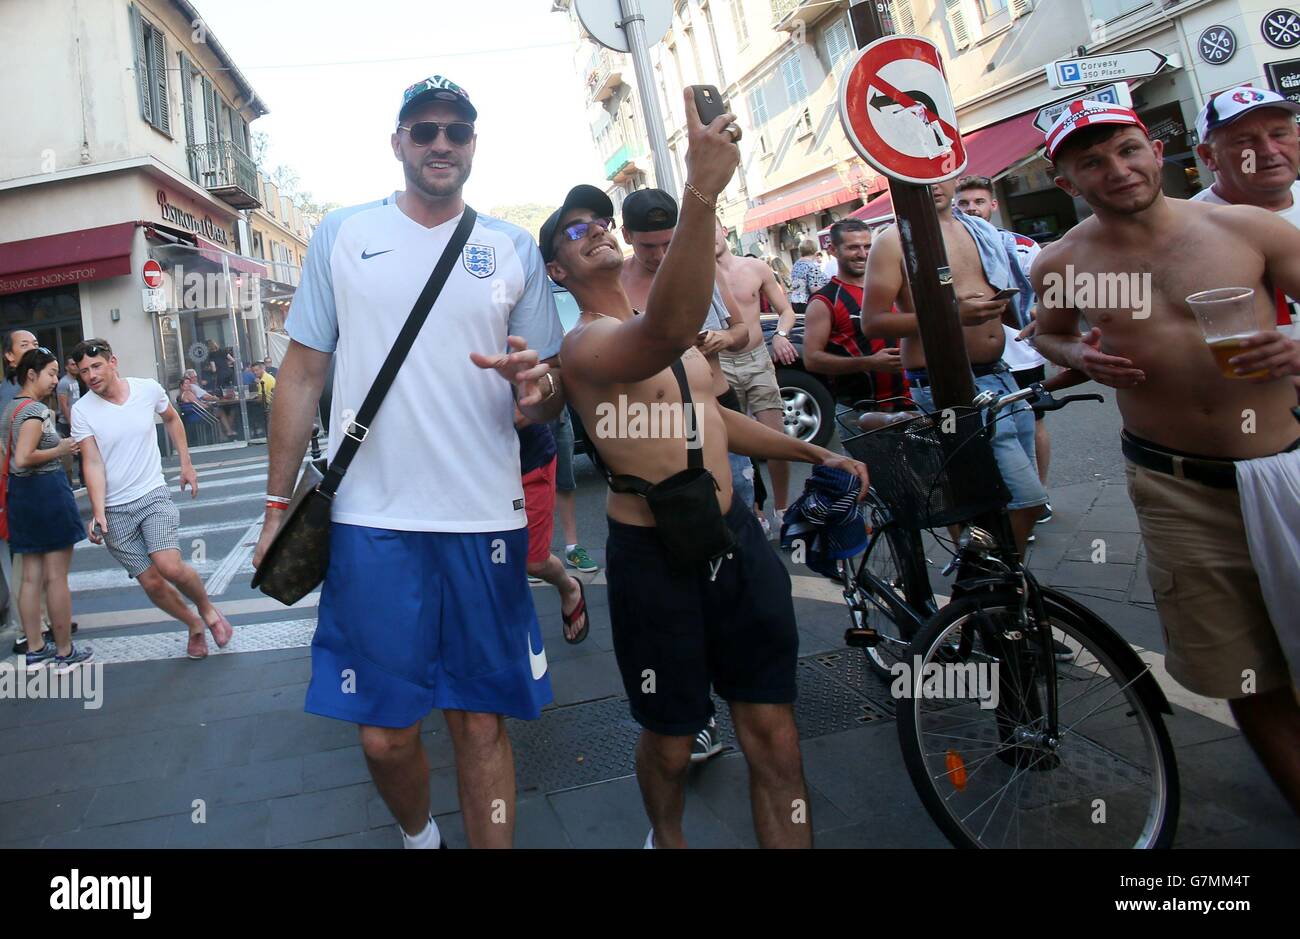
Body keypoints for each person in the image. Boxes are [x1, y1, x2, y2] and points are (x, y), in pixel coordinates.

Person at [545, 90, 869, 848]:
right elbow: (663, 329)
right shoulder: (585, 346)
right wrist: (700, 189)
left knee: (774, 732)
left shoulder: (677, 334)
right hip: (653, 559)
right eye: (573, 230)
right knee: (672, 737)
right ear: (559, 270)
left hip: (735, 539)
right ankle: (668, 834)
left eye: (600, 221)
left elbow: (715, 421)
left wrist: (816, 449)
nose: (593, 230)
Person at [252, 75, 567, 850]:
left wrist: (540, 390)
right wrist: (272, 506)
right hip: (370, 522)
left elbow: (551, 389)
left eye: (456, 131)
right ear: (398, 142)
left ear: (472, 145)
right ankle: (421, 835)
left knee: (480, 720)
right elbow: (300, 374)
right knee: (385, 736)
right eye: (424, 130)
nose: (440, 144)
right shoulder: (341, 235)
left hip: (483, 520)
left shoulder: (511, 247)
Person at [1030, 99, 1300, 813]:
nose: (1116, 170)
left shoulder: (1249, 229)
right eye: (1091, 162)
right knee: (1242, 668)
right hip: (1175, 484)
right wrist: (1075, 351)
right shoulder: (1062, 263)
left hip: (1286, 465)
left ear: (1154, 149)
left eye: (1126, 150)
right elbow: (1046, 332)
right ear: (1065, 181)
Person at [617, 186, 750, 761]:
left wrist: (723, 337)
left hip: (720, 424)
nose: (657, 254)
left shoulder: (699, 269)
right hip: (661, 445)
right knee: (679, 585)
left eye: (668, 242)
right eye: (647, 245)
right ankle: (695, 713)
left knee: (736, 572)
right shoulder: (618, 286)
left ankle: (743, 695)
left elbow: (746, 331)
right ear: (628, 239)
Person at [862, 178, 1049, 555]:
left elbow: (1001, 294)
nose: (928, 184)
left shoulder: (978, 230)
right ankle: (991, 583)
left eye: (934, 172)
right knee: (1023, 499)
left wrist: (1036, 324)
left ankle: (993, 587)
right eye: (914, 174)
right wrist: (950, 314)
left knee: (1002, 498)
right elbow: (873, 321)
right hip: (946, 382)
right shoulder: (893, 241)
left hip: (999, 375)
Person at [71, 338, 234, 660]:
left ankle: (208, 610)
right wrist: (98, 512)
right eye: (84, 371)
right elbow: (91, 463)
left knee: (168, 566)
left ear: (112, 362)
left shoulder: (147, 389)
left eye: (96, 366)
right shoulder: (81, 411)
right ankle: (193, 624)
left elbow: (172, 418)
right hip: (115, 511)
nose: (90, 375)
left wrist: (187, 465)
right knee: (152, 584)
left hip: (151, 494)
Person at [956, 174, 1056, 520]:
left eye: (979, 202)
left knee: (1033, 421)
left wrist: (1041, 309)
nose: (971, 209)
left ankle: (1037, 497)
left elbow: (1051, 286)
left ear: (993, 205)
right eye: (965, 203)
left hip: (1021, 350)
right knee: (991, 431)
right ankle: (1008, 500)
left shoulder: (1022, 245)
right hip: (979, 357)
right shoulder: (950, 245)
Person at [1192, 85, 1300, 350]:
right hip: (1253, 387)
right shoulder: (1186, 229)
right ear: (1209, 157)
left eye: (1279, 134)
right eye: (1244, 141)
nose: (1268, 150)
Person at [1, 348, 90, 671]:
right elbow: (23, 457)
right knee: (56, 579)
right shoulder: (35, 411)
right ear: (31, 374)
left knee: (30, 579)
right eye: (51, 373)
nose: (56, 380)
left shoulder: (10, 409)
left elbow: (10, 460)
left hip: (21, 497)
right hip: (46, 494)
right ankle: (65, 651)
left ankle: (36, 649)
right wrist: (62, 448)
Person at [714, 219, 798, 534]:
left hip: (758, 358)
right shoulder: (698, 275)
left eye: (712, 229)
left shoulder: (755, 267)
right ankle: (755, 511)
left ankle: (783, 509)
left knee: (775, 438)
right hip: (720, 363)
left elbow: (785, 310)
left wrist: (781, 334)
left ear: (724, 230)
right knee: (734, 444)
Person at [802, 219, 906, 411]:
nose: (862, 254)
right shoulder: (824, 301)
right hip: (860, 410)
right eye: (853, 248)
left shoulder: (891, 288)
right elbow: (812, 359)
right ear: (833, 250)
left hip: (911, 402)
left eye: (867, 246)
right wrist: (870, 363)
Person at [516, 415, 587, 643]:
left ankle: (569, 588)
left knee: (534, 562)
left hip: (531, 464)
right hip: (482, 471)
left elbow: (523, 413)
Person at [2, 329, 40, 650]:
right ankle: (27, 630)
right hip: (13, 490)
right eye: (24, 345)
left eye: (36, 344)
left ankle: (41, 622)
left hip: (34, 487)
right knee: (19, 562)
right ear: (9, 356)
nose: (32, 349)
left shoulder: (36, 389)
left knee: (36, 560)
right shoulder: (8, 396)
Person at [550, 407, 597, 574]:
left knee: (565, 483)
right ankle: (534, 553)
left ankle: (572, 548)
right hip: (525, 422)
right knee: (530, 486)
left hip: (559, 417)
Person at [179, 369, 236, 439]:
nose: (189, 385)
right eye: (186, 383)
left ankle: (223, 434)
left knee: (219, 412)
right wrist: (209, 405)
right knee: (220, 412)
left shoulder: (186, 393)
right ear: (181, 386)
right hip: (198, 415)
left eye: (189, 383)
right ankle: (226, 433)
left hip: (196, 413)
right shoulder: (188, 394)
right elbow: (199, 404)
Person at [788, 239, 829, 315]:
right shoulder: (812, 267)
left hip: (795, 302)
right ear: (815, 250)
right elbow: (815, 290)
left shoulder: (796, 265)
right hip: (807, 303)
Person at [248, 361, 276, 437]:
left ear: (262, 369)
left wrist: (251, 400)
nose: (255, 373)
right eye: (253, 371)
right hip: (273, 404)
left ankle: (256, 431)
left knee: (248, 408)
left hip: (268, 406)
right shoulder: (269, 377)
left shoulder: (263, 381)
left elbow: (261, 399)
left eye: (256, 370)